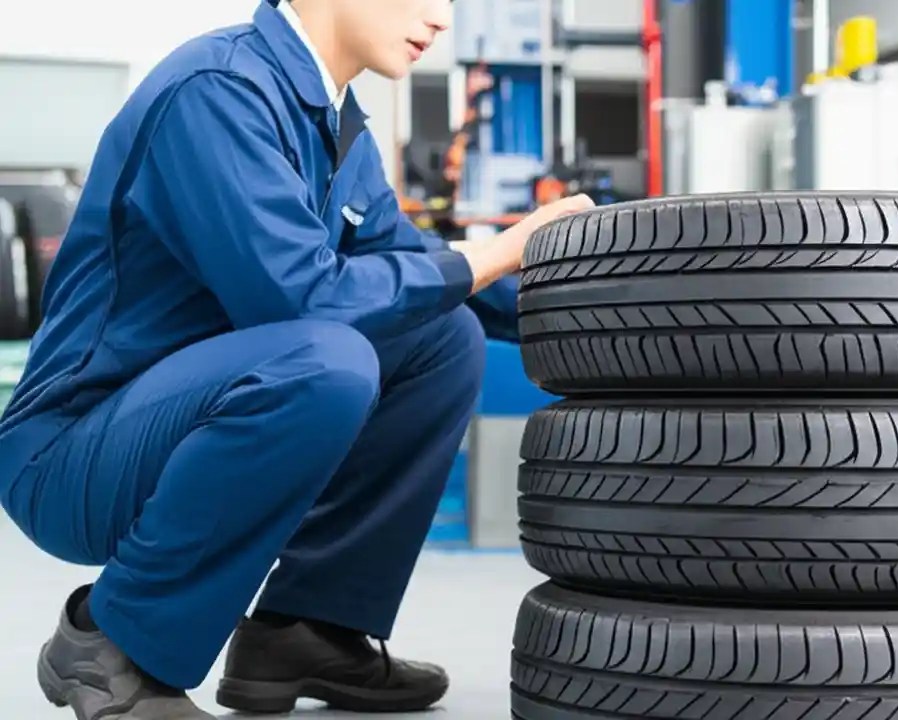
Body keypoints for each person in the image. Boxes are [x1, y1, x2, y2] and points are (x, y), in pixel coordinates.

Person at [0, 1, 593, 717]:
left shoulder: (338, 128)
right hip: (71, 454)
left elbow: (413, 271)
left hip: (184, 418)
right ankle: (117, 644)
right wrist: (495, 251)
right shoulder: (217, 91)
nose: (440, 18)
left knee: (445, 339)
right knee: (325, 359)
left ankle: (308, 628)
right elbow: (298, 297)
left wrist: (607, 317)